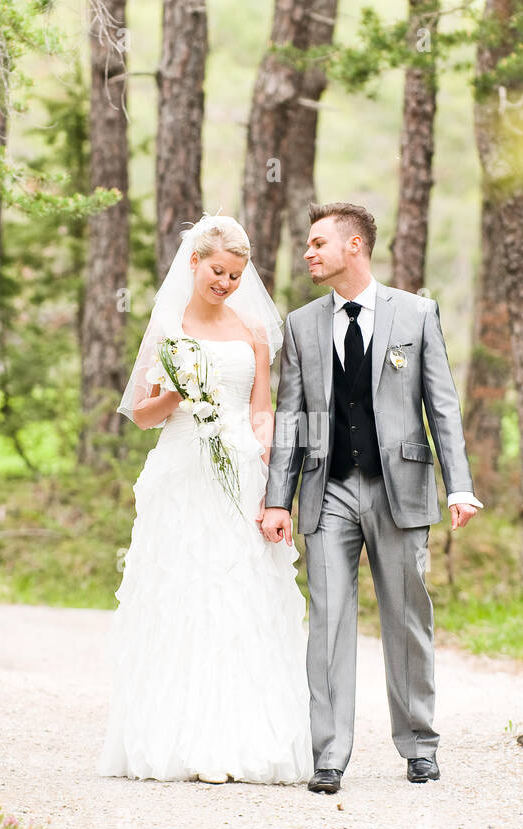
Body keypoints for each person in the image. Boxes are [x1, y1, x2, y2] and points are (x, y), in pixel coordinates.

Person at [260, 202, 482, 794]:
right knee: (328, 619)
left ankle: (419, 743)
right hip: (326, 489)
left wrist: (459, 485)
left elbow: (443, 407)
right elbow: (289, 418)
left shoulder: (416, 313)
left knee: (407, 616)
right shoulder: (302, 324)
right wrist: (278, 498)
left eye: (317, 243)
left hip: (399, 488)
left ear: (353, 246)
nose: (308, 253)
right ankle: (329, 753)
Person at [96, 215, 312, 785]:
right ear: (194, 262)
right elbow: (140, 415)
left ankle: (239, 738)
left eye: (237, 275)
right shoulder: (167, 326)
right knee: (182, 590)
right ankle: (174, 737)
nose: (227, 282)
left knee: (240, 592)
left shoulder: (254, 331)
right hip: (182, 472)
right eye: (219, 271)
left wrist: (271, 485)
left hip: (241, 472)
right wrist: (177, 394)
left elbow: (263, 408)